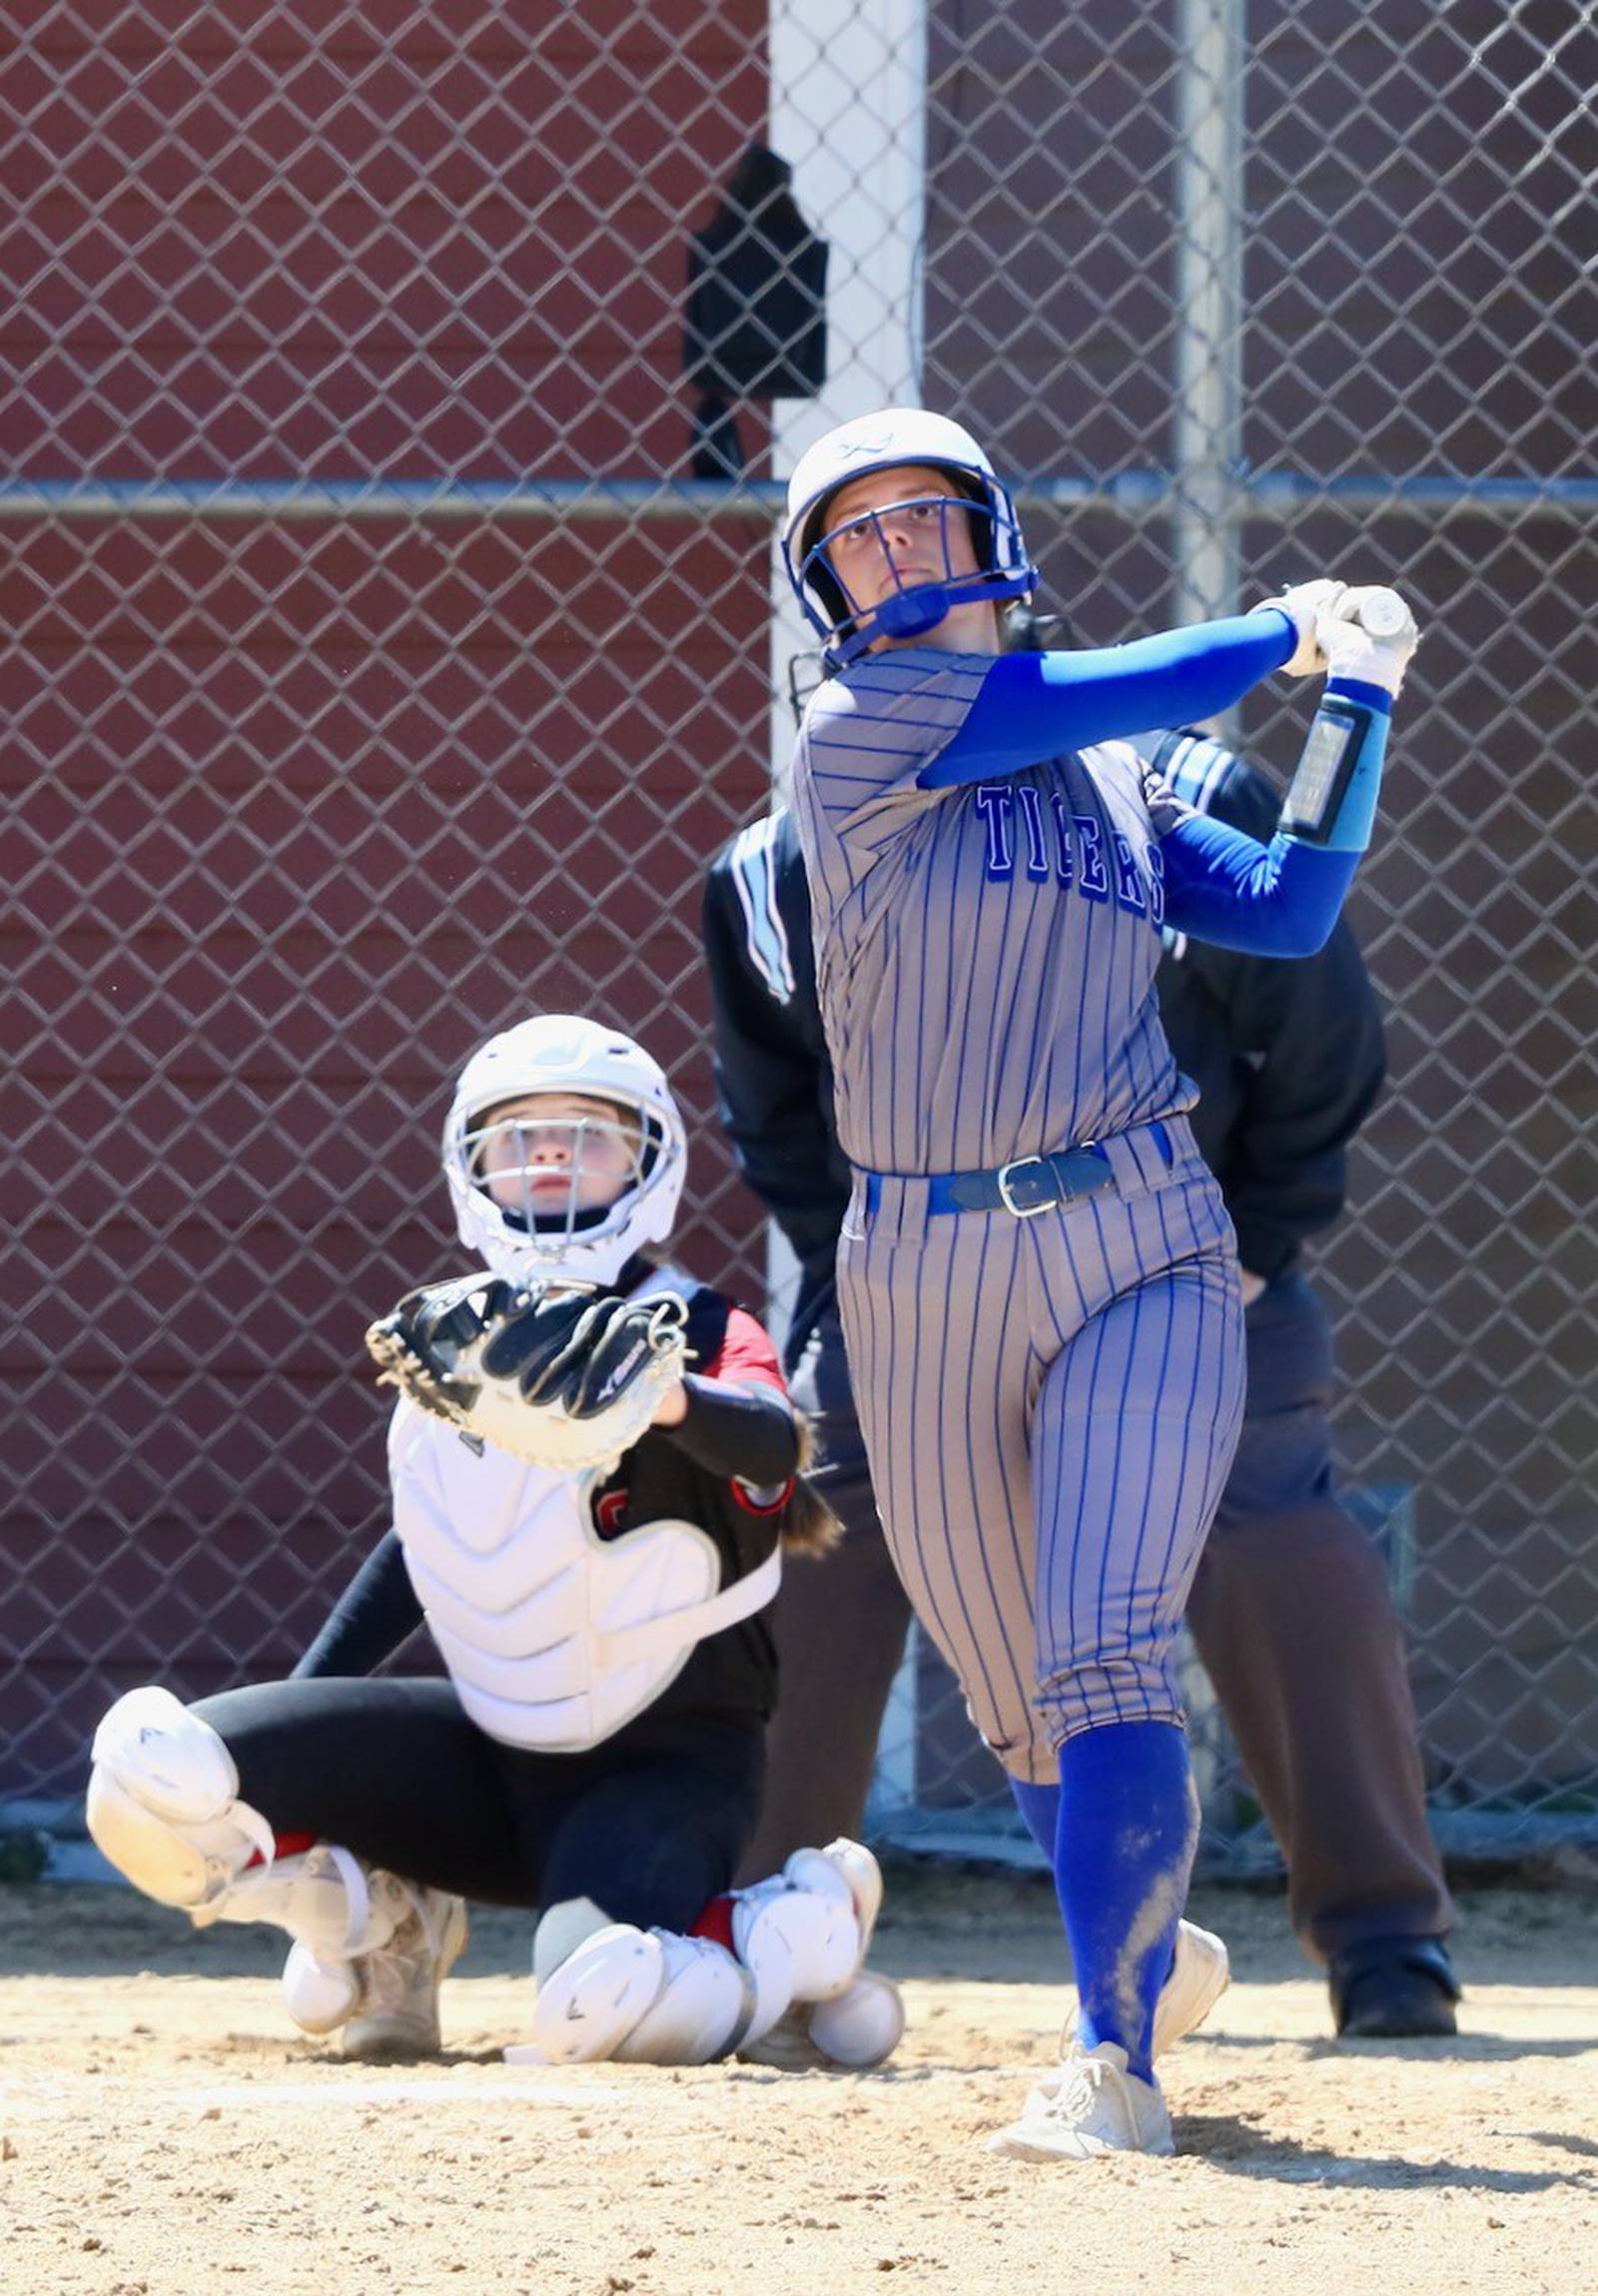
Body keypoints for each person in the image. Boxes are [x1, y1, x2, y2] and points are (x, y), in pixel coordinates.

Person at [769, 402, 1421, 2160]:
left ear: (992, 538)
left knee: (1109, 1636)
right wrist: (1288, 629)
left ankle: (1113, 2053)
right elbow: (1102, 689)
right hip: (915, 1264)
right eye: (859, 534)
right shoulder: (862, 729)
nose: (895, 551)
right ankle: (1132, 1927)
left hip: (1140, 1228)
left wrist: (1355, 703)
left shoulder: (1129, 775)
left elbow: (1281, 912)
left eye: (926, 519)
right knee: (1014, 1693)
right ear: (827, 583)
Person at [83, 1014, 904, 2074]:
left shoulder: (692, 1327)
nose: (551, 1157)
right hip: (483, 1752)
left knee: (603, 2014)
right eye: (517, 1138)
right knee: (151, 1773)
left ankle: (788, 1927)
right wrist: (295, 1754)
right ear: (471, 1171)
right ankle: (386, 1925)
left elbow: (774, 1445)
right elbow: (425, 1547)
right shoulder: (452, 1337)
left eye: (589, 1136)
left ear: (650, 1165)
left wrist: (659, 1394)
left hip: (656, 1775)